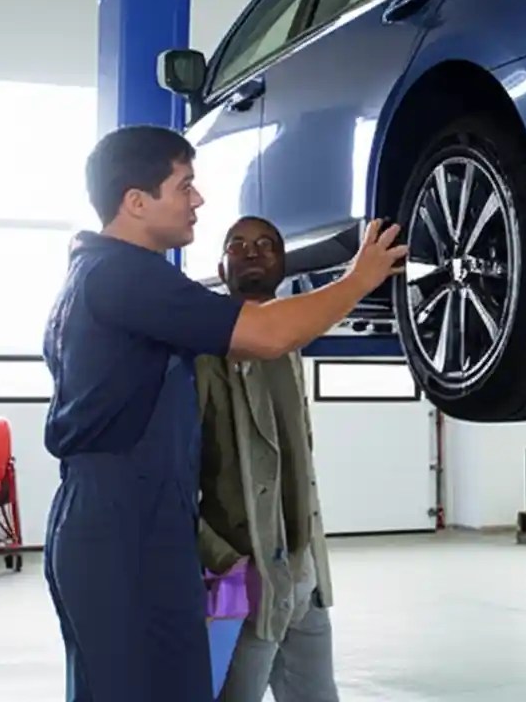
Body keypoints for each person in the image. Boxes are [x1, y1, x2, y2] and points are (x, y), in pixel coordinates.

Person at [41, 124, 406, 702]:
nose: (198, 199)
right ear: (136, 201)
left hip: (127, 519)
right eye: (184, 185)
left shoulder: (97, 274)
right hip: (123, 528)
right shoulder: (126, 275)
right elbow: (265, 332)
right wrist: (359, 279)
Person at [196, 216, 338, 701]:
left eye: (265, 244)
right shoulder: (203, 355)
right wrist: (227, 560)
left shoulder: (291, 345)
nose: (251, 251)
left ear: (282, 264)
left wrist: (308, 569)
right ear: (222, 267)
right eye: (237, 244)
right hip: (247, 579)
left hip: (303, 575)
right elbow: (171, 479)